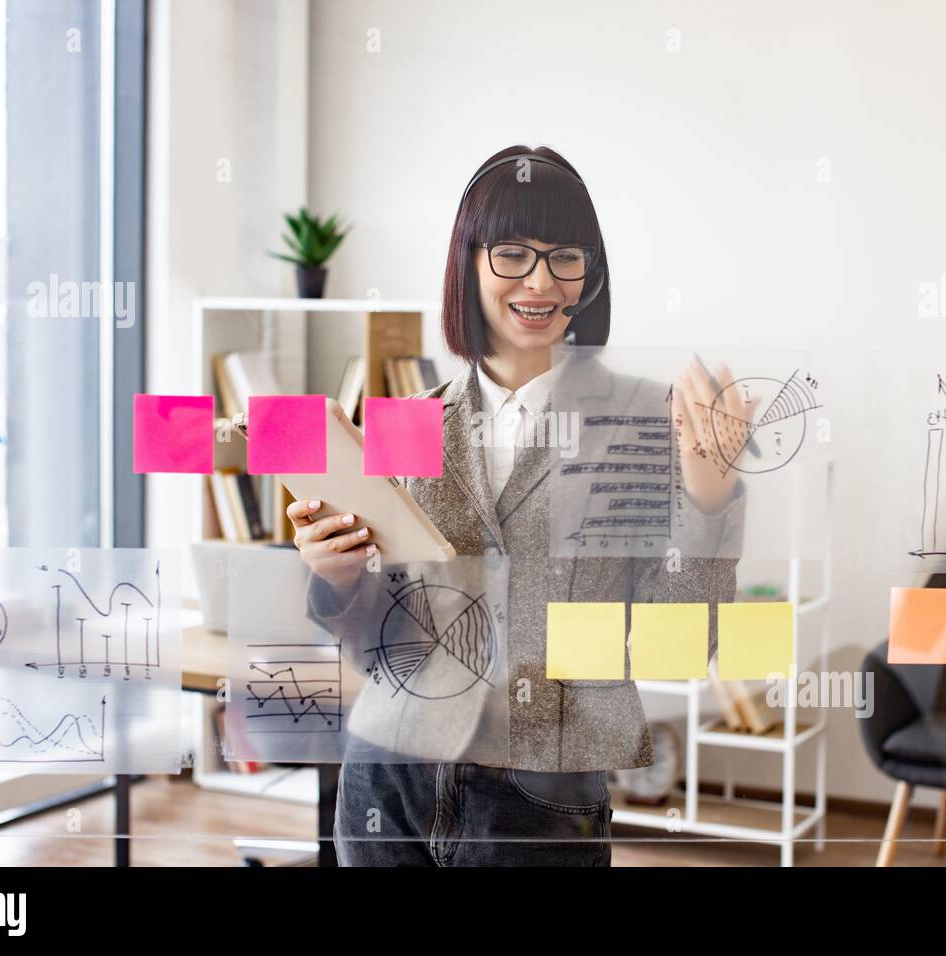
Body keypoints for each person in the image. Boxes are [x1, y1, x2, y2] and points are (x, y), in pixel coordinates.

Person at [289, 145, 744, 866]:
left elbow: (681, 646)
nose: (541, 280)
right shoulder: (409, 422)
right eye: (513, 254)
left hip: (542, 794)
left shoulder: (643, 425)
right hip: (387, 775)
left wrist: (709, 498)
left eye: (566, 256)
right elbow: (386, 646)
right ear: (468, 263)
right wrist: (337, 577)